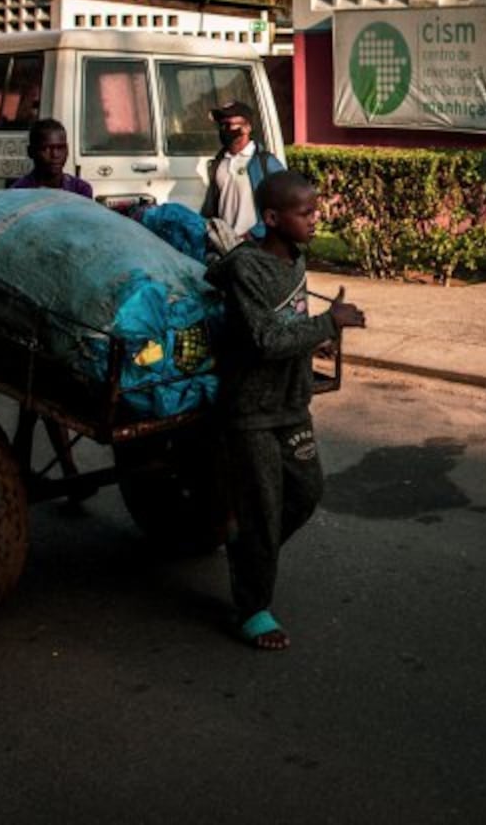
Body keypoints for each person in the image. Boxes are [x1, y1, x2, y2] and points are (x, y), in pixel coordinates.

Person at [204, 169, 365, 651]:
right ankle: (251, 607)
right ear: (272, 218)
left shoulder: (295, 257)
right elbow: (266, 339)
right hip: (251, 410)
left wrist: (322, 325)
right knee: (263, 508)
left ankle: (249, 546)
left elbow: (290, 322)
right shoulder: (247, 270)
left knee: (306, 492)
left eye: (316, 210)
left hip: (292, 405)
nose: (316, 220)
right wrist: (327, 323)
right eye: (306, 213)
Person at [200, 100, 282, 255]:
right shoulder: (219, 163)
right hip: (225, 249)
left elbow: (284, 204)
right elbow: (210, 207)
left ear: (247, 127)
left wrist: (254, 234)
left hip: (256, 248)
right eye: (222, 125)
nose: (225, 129)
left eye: (230, 124)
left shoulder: (265, 162)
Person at [9, 117, 93, 196]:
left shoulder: (80, 190)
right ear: (31, 152)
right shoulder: (19, 192)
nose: (55, 155)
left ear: (67, 150)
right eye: (46, 149)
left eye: (60, 148)